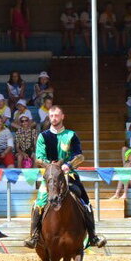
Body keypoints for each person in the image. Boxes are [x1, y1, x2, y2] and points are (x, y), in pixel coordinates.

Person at [23, 105, 106, 249]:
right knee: (39, 202)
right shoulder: (43, 136)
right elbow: (39, 158)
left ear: (62, 117)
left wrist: (68, 165)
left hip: (69, 175)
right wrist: (52, 167)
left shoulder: (71, 135)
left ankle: (93, 236)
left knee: (85, 201)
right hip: (50, 177)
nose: (53, 118)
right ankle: (34, 236)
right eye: (51, 116)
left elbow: (79, 156)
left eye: (56, 115)